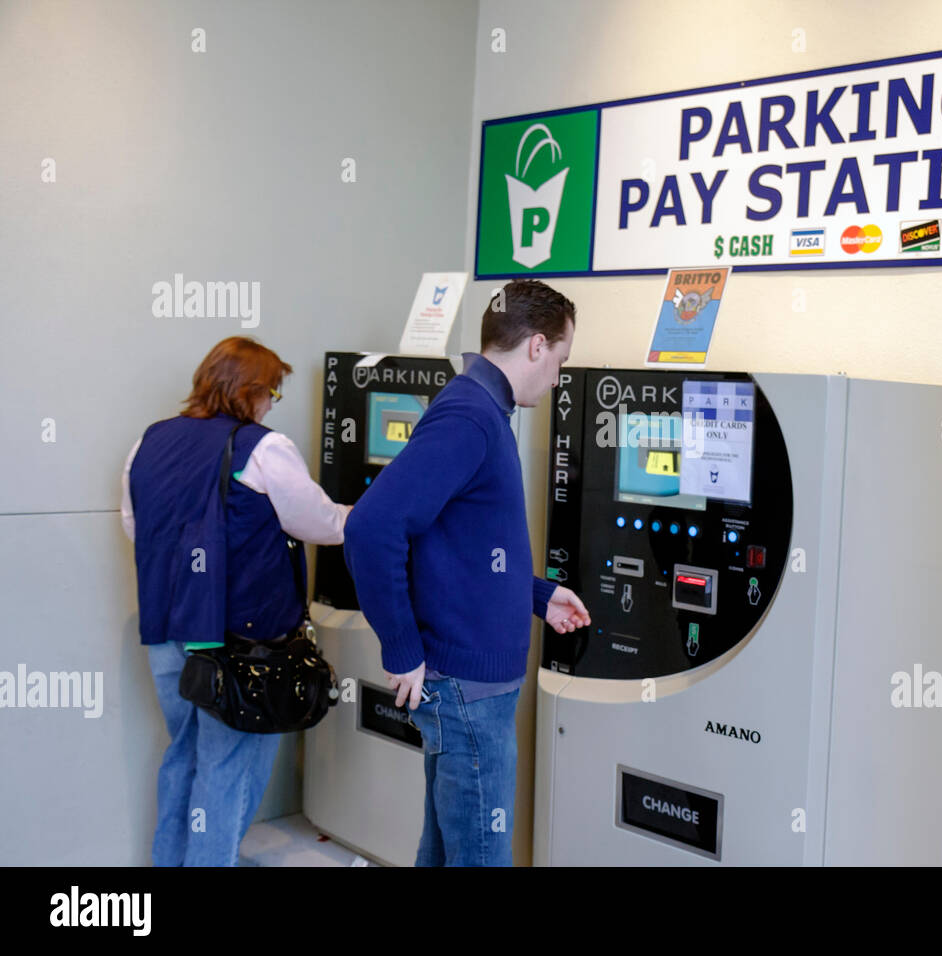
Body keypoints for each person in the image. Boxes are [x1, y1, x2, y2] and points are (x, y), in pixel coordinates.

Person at [344, 279, 590, 867]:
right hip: (466, 694)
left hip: (470, 690)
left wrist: (536, 594)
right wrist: (400, 649)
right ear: (535, 347)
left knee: (443, 853)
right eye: (559, 361)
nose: (558, 378)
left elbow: (457, 544)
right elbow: (370, 528)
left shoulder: (479, 411)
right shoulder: (470, 418)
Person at [121, 336, 351, 866]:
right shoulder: (264, 448)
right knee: (226, 768)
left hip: (168, 632)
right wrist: (366, 514)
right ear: (249, 391)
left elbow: (139, 528)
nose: (272, 403)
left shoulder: (147, 443)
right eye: (272, 391)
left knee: (184, 755)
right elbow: (317, 522)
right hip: (240, 643)